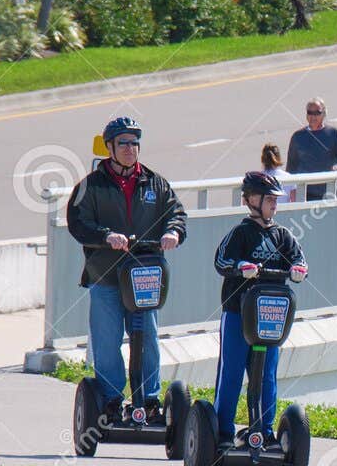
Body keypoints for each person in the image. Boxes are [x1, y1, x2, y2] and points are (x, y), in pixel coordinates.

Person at [65, 115, 186, 423]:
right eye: (124, 143)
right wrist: (105, 236)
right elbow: (78, 223)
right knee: (107, 342)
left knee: (147, 339)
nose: (131, 149)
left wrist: (173, 232)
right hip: (105, 275)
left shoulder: (154, 182)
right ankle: (109, 401)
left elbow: (176, 212)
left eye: (135, 143)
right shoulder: (90, 186)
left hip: (144, 275)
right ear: (109, 147)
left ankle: (147, 401)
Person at [212, 170, 306, 447]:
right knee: (231, 371)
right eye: (269, 199)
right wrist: (240, 267)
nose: (275, 205)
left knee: (266, 374)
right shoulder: (240, 233)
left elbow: (298, 260)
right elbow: (221, 260)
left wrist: (299, 270)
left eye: (276, 200)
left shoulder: (282, 235)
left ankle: (264, 431)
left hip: (270, 318)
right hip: (237, 313)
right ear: (252, 200)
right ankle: (223, 432)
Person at [285, 96, 337, 203]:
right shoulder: (298, 137)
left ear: (324, 113)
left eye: (317, 113)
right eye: (310, 112)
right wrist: (290, 190)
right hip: (304, 192)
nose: (313, 116)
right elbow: (291, 166)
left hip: (328, 191)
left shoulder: (333, 133)